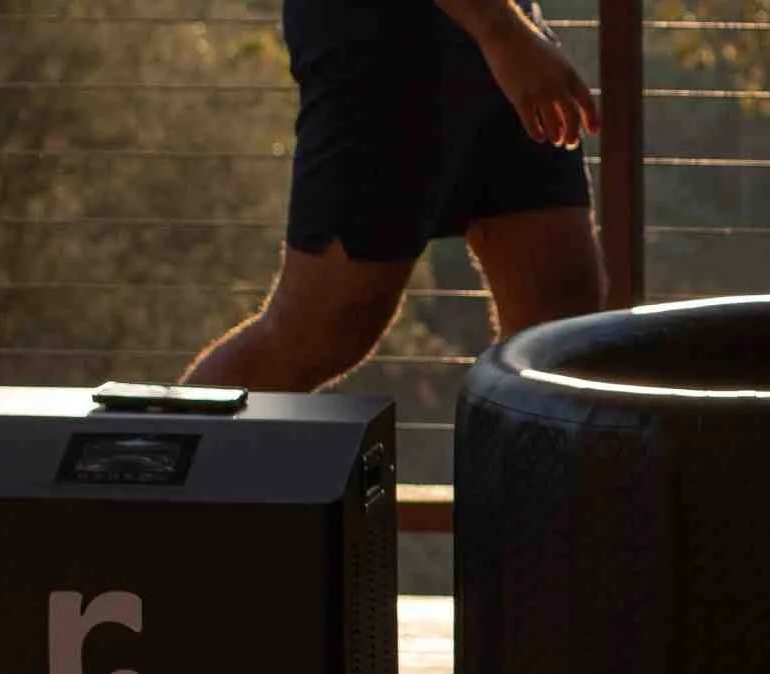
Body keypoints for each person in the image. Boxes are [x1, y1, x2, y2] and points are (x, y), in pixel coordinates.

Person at [181, 0, 605, 391]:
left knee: (559, 327)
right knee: (321, 331)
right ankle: (155, 463)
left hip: (506, 25)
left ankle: (520, 474)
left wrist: (508, 30)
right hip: (385, 38)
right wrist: (502, 33)